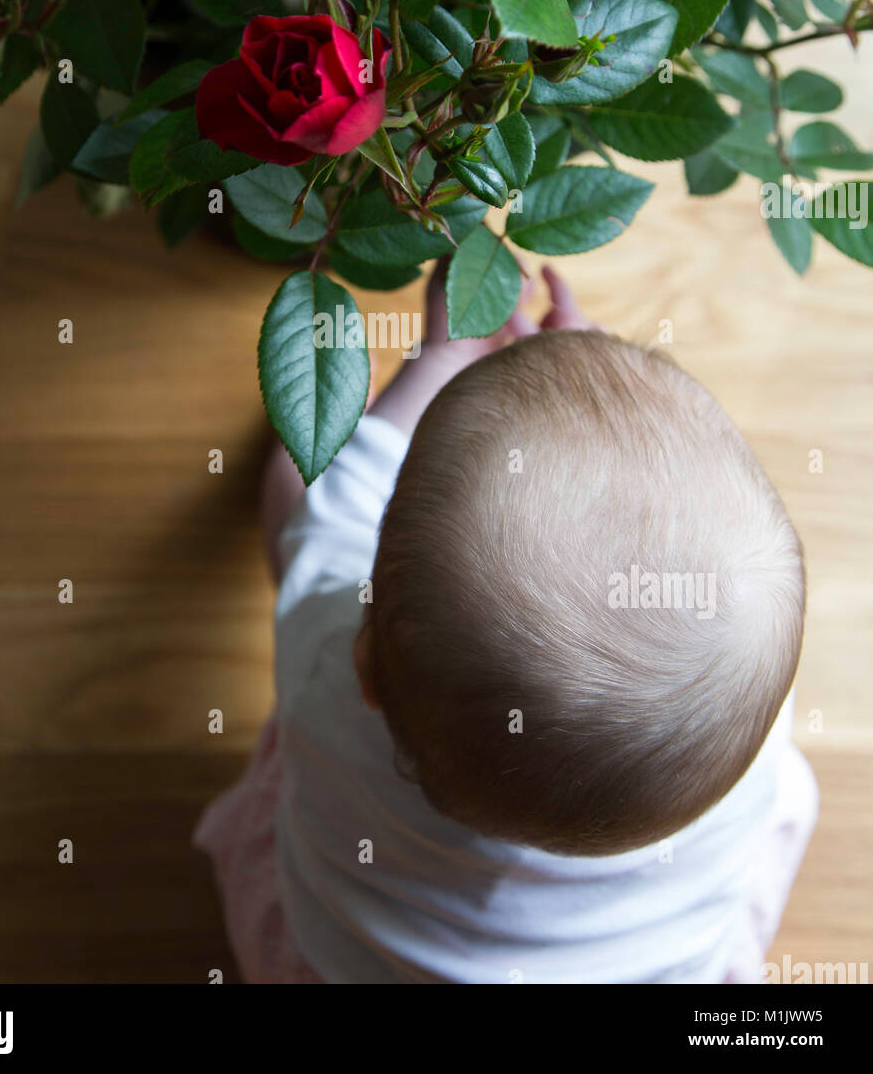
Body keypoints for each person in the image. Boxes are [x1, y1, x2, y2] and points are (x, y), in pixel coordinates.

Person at [194, 262, 818, 983]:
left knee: (296, 484)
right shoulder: (733, 692)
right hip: (662, 965)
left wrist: (446, 355)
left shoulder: (325, 680)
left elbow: (335, 513)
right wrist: (599, 388)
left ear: (365, 666)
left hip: (334, 964)